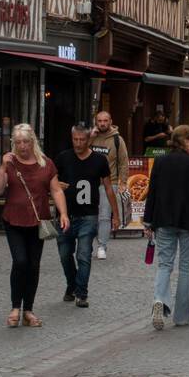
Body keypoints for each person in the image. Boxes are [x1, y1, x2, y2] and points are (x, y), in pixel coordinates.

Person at [0, 123, 69, 327]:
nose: (22, 146)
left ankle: (29, 310)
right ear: (13, 144)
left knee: (33, 265)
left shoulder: (46, 163)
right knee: (21, 261)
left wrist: (63, 213)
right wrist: (2, 167)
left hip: (38, 221)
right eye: (18, 142)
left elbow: (56, 190)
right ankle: (15, 307)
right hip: (13, 220)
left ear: (33, 141)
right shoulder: (11, 162)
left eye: (25, 142)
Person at [142, 124, 189, 330]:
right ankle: (183, 316)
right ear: (185, 141)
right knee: (185, 268)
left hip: (163, 220)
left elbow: (152, 192)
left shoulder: (161, 162)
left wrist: (148, 222)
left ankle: (159, 299)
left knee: (165, 264)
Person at [54, 123, 115, 308]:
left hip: (88, 215)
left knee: (84, 255)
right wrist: (56, 185)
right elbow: (49, 180)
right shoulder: (63, 158)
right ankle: (71, 284)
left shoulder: (99, 160)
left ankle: (81, 293)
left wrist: (116, 214)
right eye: (75, 139)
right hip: (65, 215)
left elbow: (108, 187)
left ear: (89, 139)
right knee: (65, 255)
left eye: (82, 140)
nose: (78, 143)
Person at [91, 110, 129, 259]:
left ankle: (102, 246)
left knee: (105, 216)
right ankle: (87, 244)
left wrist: (123, 182)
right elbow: (79, 151)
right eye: (99, 121)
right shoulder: (91, 137)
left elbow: (123, 162)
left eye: (105, 120)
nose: (102, 123)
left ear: (110, 121)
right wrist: (90, 137)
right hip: (90, 183)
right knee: (90, 216)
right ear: (96, 122)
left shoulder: (117, 140)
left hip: (110, 182)